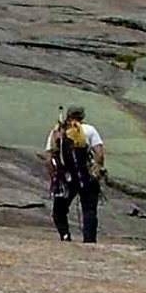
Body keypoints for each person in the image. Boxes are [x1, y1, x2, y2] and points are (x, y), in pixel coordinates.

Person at [43, 104, 105, 242]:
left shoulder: (58, 131)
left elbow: (48, 158)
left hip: (65, 177)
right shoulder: (89, 130)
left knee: (59, 211)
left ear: (68, 115)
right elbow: (99, 154)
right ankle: (89, 241)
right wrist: (97, 170)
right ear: (82, 116)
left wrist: (54, 177)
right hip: (86, 176)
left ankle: (65, 236)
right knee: (89, 210)